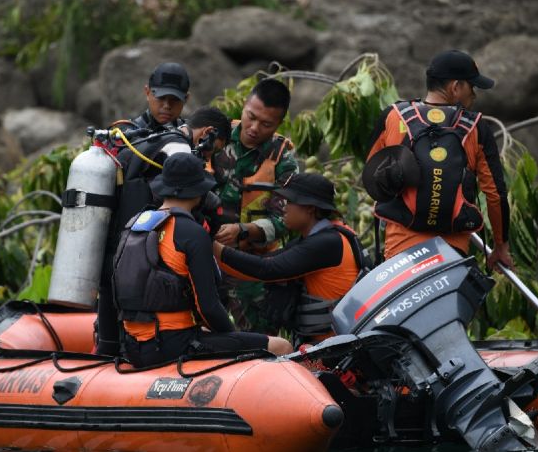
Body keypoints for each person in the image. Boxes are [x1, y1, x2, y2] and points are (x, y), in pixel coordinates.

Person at [112, 152, 293, 368]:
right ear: (199, 192)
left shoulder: (134, 224)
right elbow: (208, 306)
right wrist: (231, 338)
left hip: (133, 346)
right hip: (171, 346)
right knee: (282, 346)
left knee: (206, 333)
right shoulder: (191, 232)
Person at [96, 107, 231, 356]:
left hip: (124, 249)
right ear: (208, 133)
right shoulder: (179, 149)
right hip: (169, 334)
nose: (210, 158)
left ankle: (106, 352)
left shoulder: (151, 141)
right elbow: (208, 305)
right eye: (215, 149)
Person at [364, 49, 512, 271]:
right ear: (456, 87)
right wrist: (500, 246)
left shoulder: (393, 116)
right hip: (451, 252)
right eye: (472, 87)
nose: (474, 94)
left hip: (399, 252)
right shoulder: (476, 128)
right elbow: (495, 195)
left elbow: (371, 175)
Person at [213, 174, 363, 343]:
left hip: (337, 349)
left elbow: (267, 269)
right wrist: (217, 251)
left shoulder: (327, 243)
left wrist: (214, 247)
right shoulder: (315, 238)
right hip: (324, 344)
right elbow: (264, 264)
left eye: (290, 202)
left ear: (310, 208)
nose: (284, 208)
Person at [211, 78, 298, 331]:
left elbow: (285, 219)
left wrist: (244, 230)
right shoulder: (215, 138)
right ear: (245, 106)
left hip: (251, 268)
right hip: (205, 259)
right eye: (251, 117)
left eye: (266, 124)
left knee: (256, 340)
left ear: (279, 124)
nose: (254, 128)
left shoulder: (283, 159)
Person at [120, 62, 189, 133]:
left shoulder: (195, 136)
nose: (167, 106)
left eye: (175, 99)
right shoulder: (123, 136)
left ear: (186, 99)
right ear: (147, 92)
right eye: (161, 97)